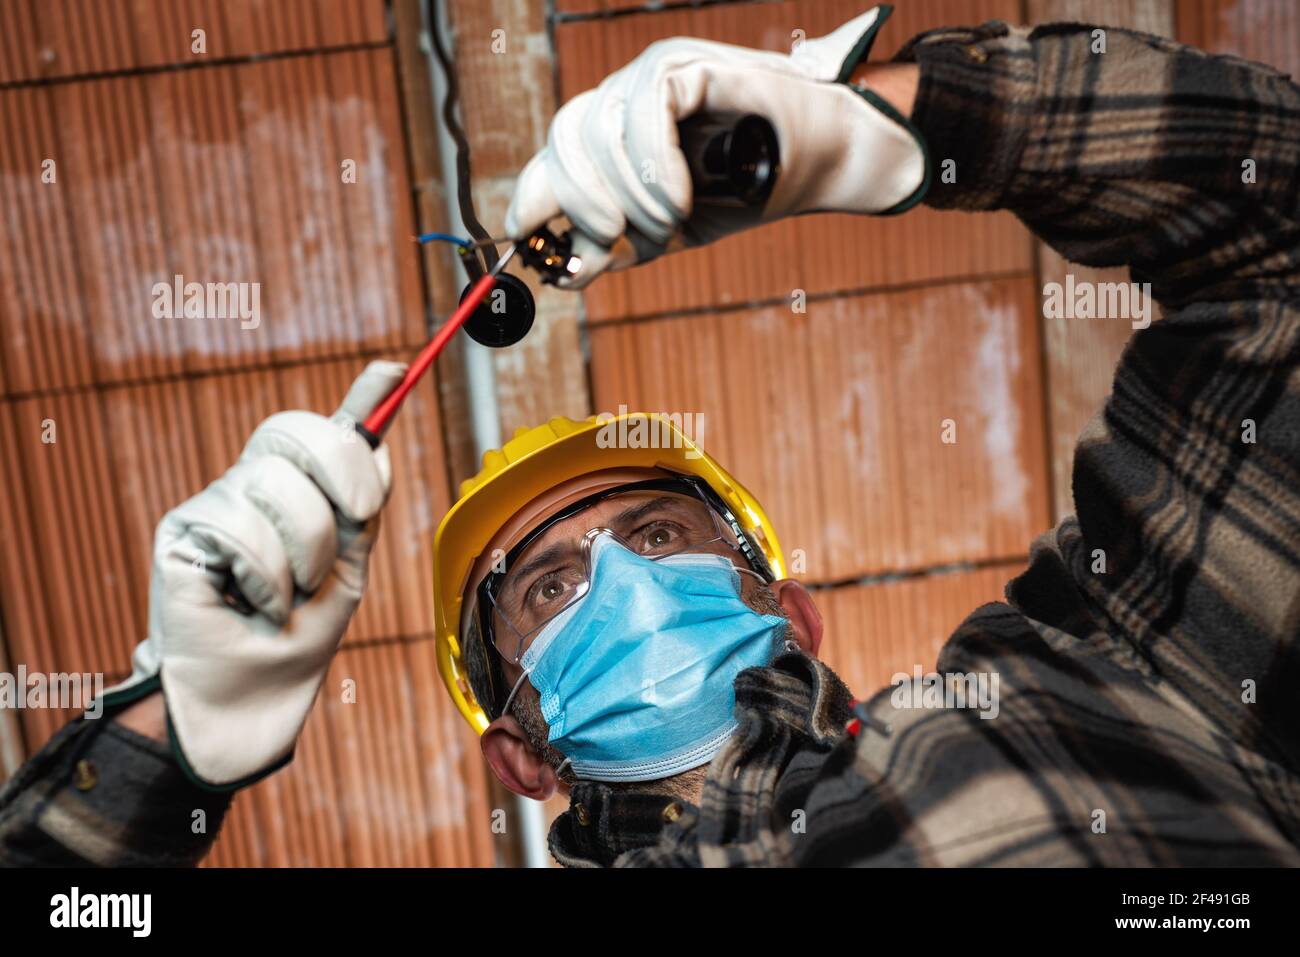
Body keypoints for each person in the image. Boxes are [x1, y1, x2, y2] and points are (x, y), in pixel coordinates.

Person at [3, 5, 1298, 867]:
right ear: (517, 749)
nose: (623, 578)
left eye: (664, 533)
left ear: (792, 609)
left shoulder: (1118, 680)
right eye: (551, 584)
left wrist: (905, 131)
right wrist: (168, 741)